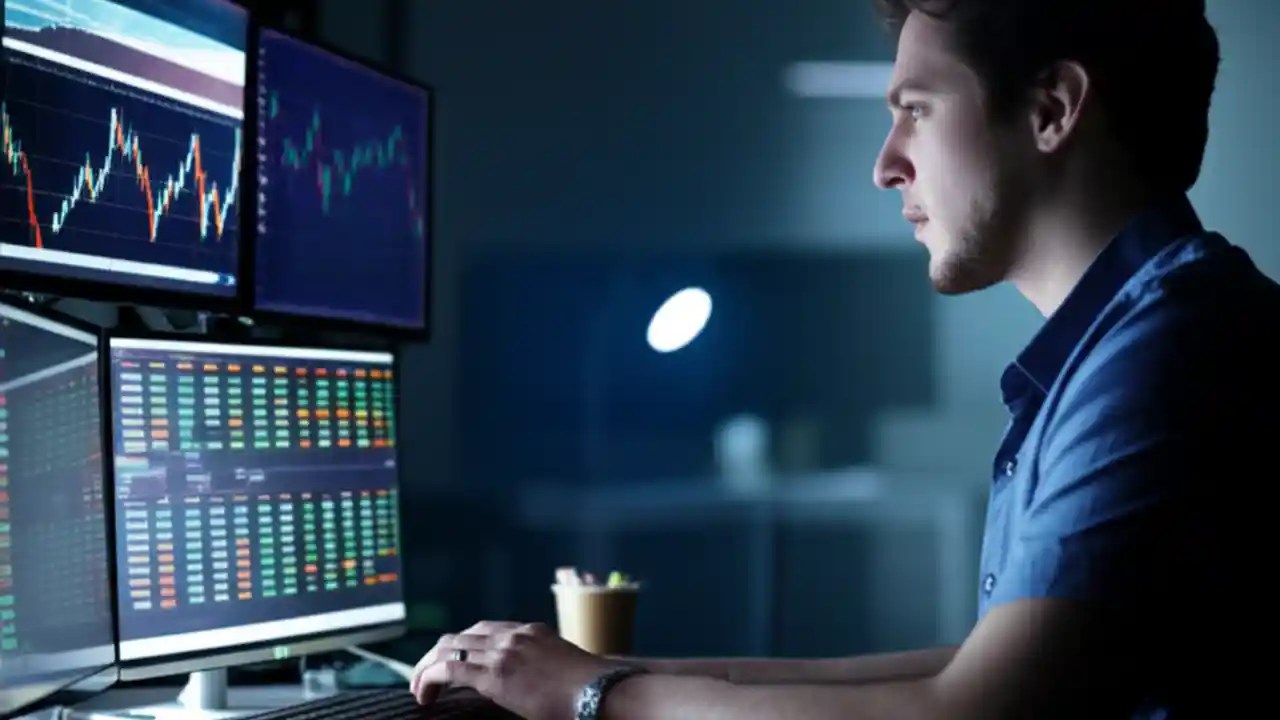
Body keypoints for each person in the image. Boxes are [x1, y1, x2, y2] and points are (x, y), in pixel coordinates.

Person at [410, 1, 1279, 717]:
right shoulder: (1143, 337)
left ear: (1052, 109)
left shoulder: (1164, 356)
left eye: (915, 109)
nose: (886, 165)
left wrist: (592, 699)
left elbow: (969, 712)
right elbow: (988, 667)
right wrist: (601, 673)